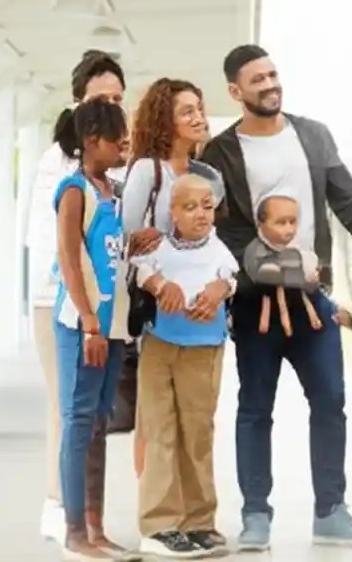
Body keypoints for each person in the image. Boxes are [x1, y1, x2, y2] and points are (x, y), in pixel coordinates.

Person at [199, 44, 352, 551]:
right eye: (256, 80)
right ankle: (256, 515)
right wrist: (271, 270)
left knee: (330, 401)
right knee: (255, 408)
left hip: (314, 302)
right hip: (255, 303)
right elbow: (222, 231)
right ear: (236, 92)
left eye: (273, 74)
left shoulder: (313, 136)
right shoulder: (219, 153)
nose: (269, 84)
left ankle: (330, 510)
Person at [26, 50, 127, 545]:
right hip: (61, 304)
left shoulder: (112, 173)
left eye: (118, 98)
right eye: (102, 98)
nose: (113, 107)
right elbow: (60, 247)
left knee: (94, 416)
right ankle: (60, 508)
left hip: (104, 308)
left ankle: (91, 518)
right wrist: (85, 313)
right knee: (68, 409)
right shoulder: (61, 167)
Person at [128, 174, 236, 559]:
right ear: (172, 212)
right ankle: (159, 525)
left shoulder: (219, 250)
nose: (200, 214)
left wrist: (218, 290)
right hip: (160, 346)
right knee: (160, 432)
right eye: (189, 207)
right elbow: (141, 269)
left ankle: (200, 521)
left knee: (198, 434)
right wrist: (159, 284)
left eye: (206, 206)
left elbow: (230, 278)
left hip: (204, 350)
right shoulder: (159, 247)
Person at [52, 97, 136, 561]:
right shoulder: (74, 190)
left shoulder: (115, 191)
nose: (124, 142)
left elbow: (114, 252)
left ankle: (97, 527)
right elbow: (69, 257)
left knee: (100, 423)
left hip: (115, 326)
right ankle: (74, 531)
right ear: (90, 142)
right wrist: (88, 323)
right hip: (84, 326)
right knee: (79, 421)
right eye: (116, 135)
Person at [241, 193, 346, 336]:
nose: (289, 229)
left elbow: (309, 280)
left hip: (299, 313)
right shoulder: (255, 249)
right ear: (261, 223)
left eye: (293, 222)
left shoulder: (296, 250)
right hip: (265, 315)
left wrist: (313, 279)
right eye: (281, 223)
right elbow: (266, 277)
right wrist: (303, 279)